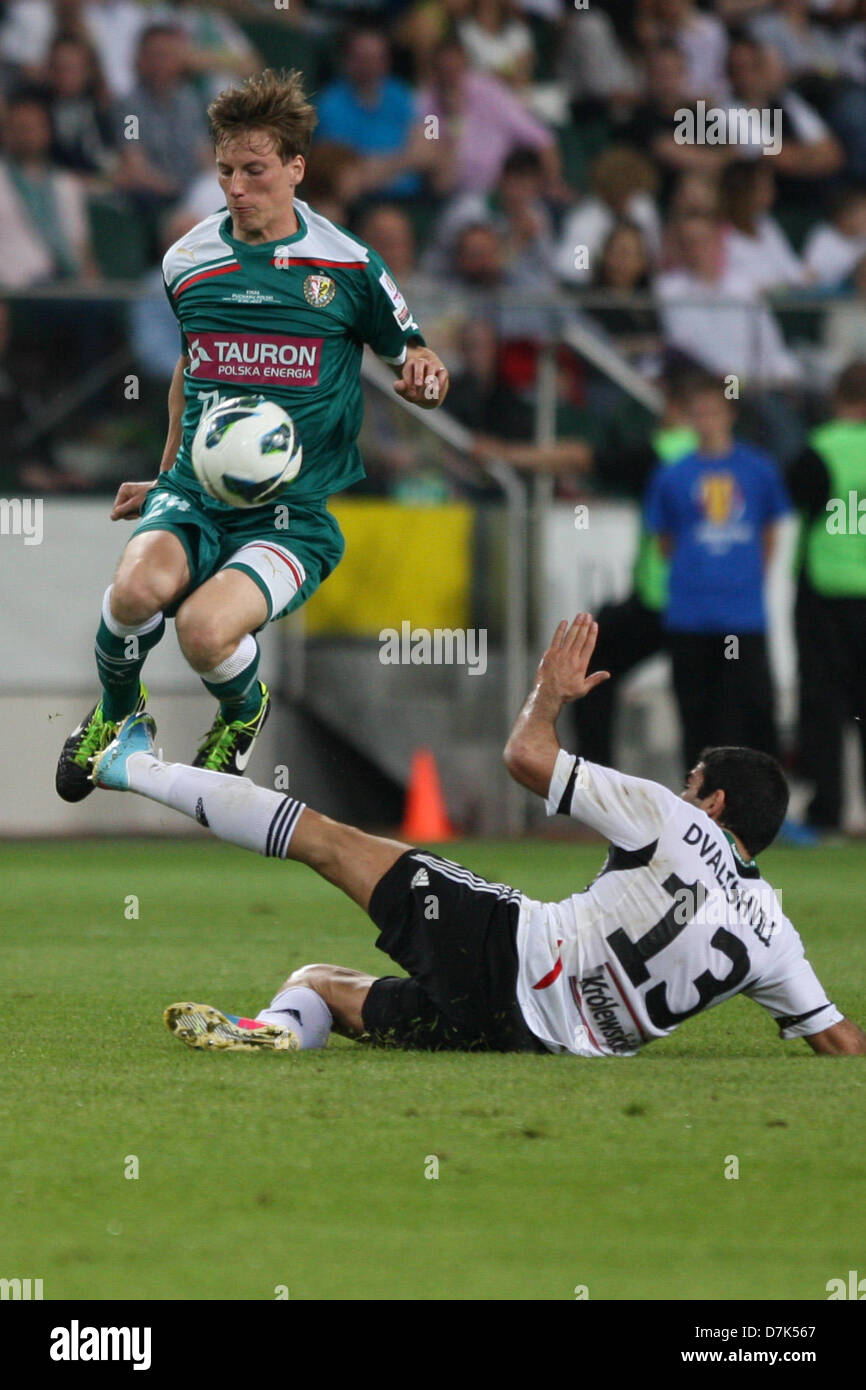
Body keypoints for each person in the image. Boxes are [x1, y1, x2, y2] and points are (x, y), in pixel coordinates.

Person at [90, 613, 866, 1058]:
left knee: (322, 838)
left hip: (513, 954)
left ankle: (127, 766)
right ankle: (281, 1034)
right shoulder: (774, 934)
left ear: (715, 802)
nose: (683, 791)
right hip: (527, 1041)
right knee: (320, 980)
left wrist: (548, 695)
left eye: (693, 782)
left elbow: (526, 758)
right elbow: (839, 1045)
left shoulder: (676, 822)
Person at [55, 67, 449, 803]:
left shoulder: (350, 267)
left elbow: (418, 357)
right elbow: (187, 372)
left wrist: (427, 376)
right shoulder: (187, 260)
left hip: (292, 517)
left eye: (255, 170)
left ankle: (242, 711)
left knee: (205, 632)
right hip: (193, 493)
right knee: (138, 588)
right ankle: (118, 716)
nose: (236, 187)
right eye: (225, 170)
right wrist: (165, 472)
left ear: (296, 168)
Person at [644, 371, 792, 773]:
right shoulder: (673, 474)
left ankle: (753, 806)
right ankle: (696, 808)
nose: (706, 420)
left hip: (741, 617)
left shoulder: (758, 469)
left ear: (730, 414)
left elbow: (770, 533)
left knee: (747, 713)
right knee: (695, 718)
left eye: (713, 411)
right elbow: (664, 540)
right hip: (690, 616)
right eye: (698, 413)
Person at [788, 360, 866, 834]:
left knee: (823, 706)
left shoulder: (818, 449)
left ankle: (827, 812)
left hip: (825, 591)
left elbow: (794, 504)